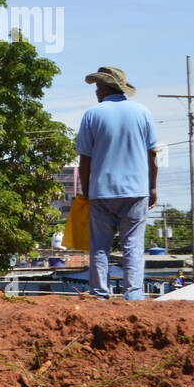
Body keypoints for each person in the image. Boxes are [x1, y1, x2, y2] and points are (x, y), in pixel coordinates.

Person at [75, 66, 158, 301]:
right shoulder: (142, 112)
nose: (96, 90)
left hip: (101, 191)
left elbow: (85, 159)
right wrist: (152, 188)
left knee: (100, 246)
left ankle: (100, 294)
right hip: (136, 190)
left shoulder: (92, 114)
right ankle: (134, 296)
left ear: (104, 87)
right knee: (132, 245)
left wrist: (85, 190)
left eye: (97, 86)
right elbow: (153, 155)